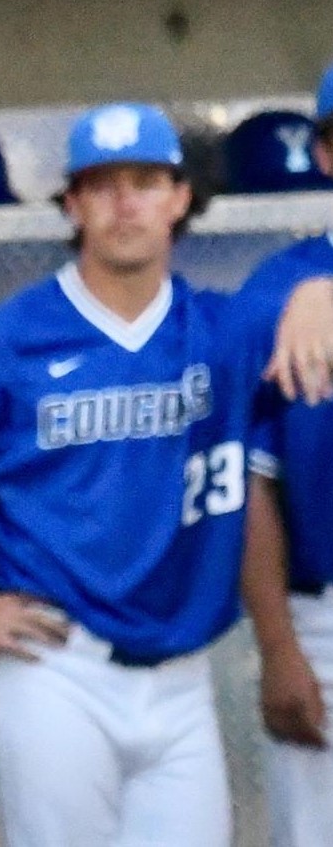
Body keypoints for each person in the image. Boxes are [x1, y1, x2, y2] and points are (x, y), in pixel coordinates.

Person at [0, 103, 333, 847]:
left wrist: (316, 291)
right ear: (71, 204)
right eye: (101, 185)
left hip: (182, 678)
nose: (124, 203)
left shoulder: (223, 330)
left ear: (180, 198)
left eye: (145, 182)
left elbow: (293, 314)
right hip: (57, 671)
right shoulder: (10, 340)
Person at [239, 66, 333, 847]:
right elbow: (250, 487)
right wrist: (277, 648)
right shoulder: (274, 294)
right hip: (323, 619)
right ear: (326, 154)